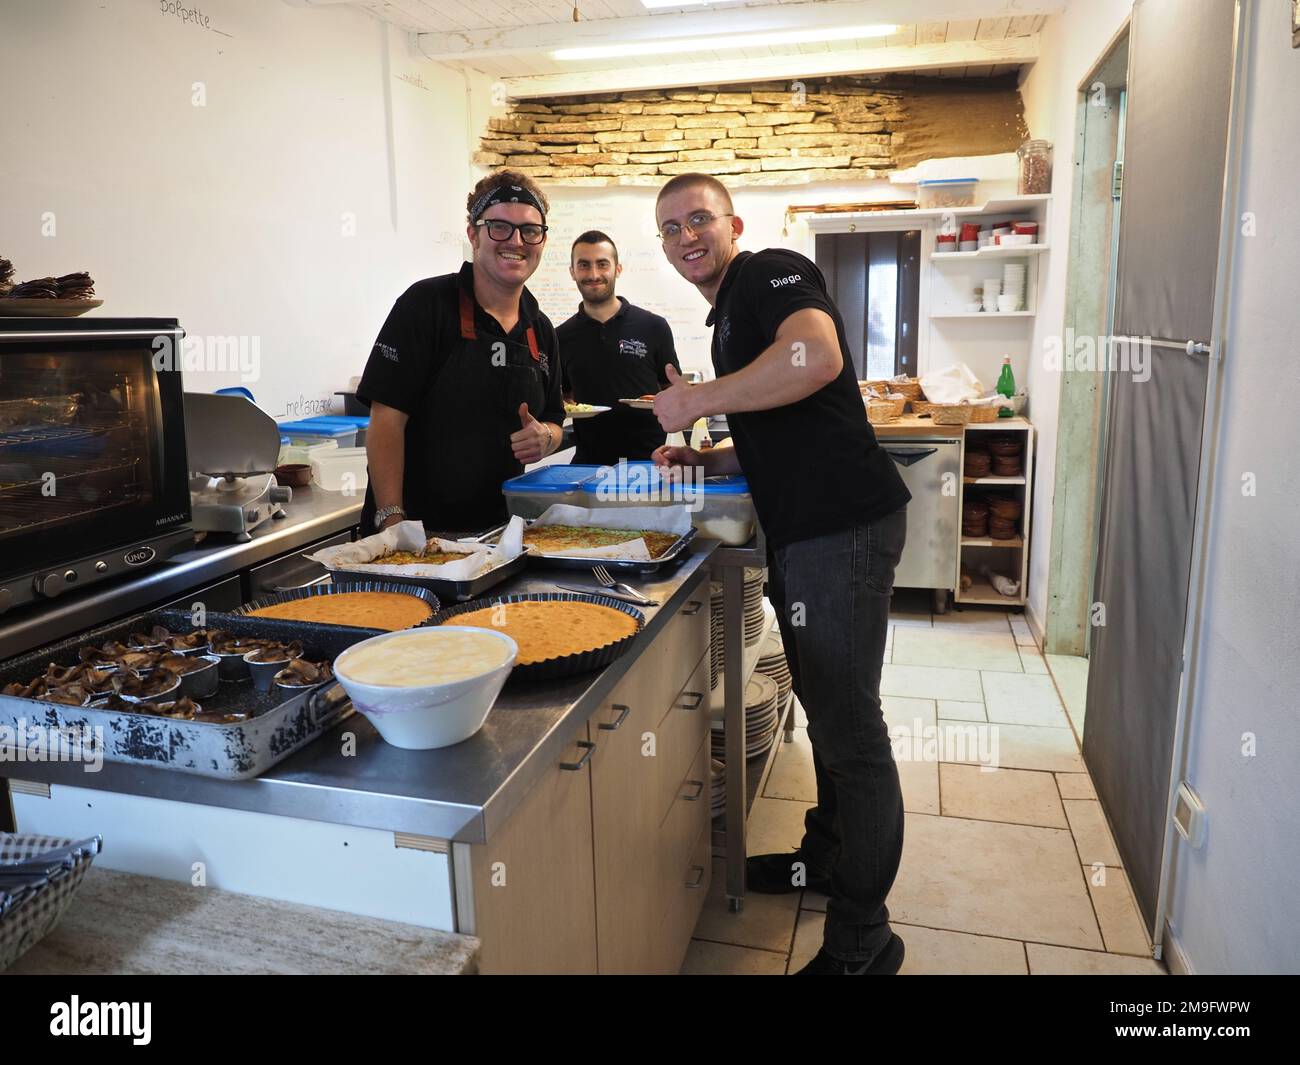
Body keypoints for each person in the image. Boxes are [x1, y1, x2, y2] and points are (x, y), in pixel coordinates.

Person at [650, 173, 912, 976]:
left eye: (699, 219)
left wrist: (697, 399)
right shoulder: (726, 311)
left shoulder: (768, 271)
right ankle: (827, 857)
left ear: (733, 224)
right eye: (670, 228)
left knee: (850, 733)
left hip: (842, 528)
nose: (686, 235)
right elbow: (785, 421)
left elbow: (816, 355)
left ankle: (864, 940)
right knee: (826, 707)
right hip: (809, 531)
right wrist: (714, 450)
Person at [355, 171, 565, 535]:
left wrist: (545, 436)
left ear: (542, 241)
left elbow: (555, 420)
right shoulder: (426, 306)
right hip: (416, 534)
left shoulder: (540, 329)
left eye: (530, 231)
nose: (516, 240)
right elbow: (386, 421)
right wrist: (392, 521)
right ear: (473, 234)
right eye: (499, 227)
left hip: (500, 534)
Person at [557, 230, 680, 466]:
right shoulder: (560, 337)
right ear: (572, 272)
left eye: (602, 264)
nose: (593, 274)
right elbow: (563, 397)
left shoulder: (654, 326)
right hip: (588, 466)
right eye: (583, 265)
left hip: (650, 464)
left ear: (618, 269)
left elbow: (672, 389)